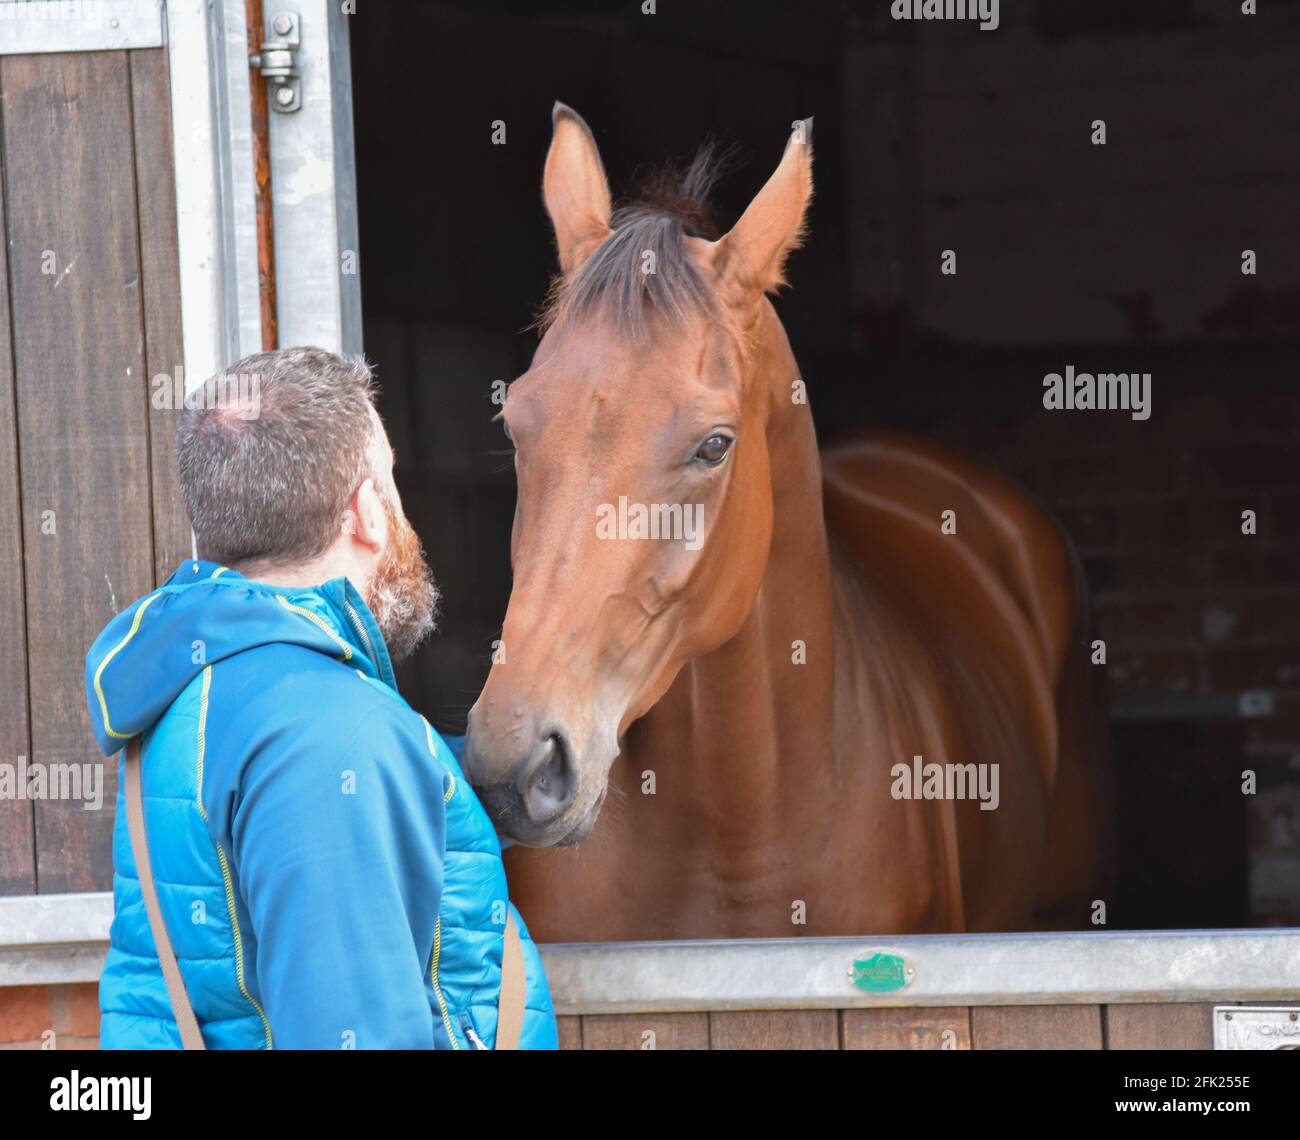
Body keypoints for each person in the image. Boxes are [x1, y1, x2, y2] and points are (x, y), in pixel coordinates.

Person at [85, 347, 557, 1049]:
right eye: (391, 484)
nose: (402, 513)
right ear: (366, 512)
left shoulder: (205, 691)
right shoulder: (329, 739)